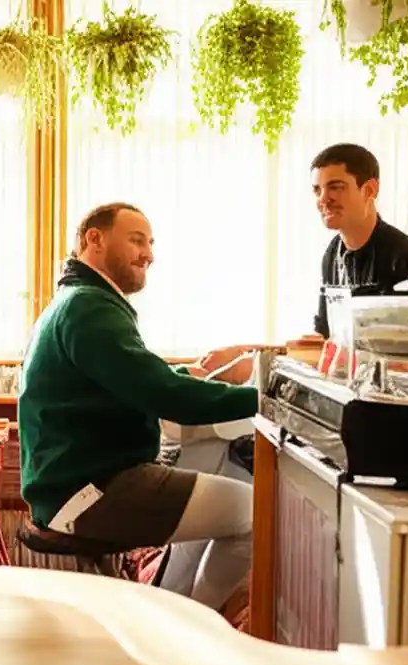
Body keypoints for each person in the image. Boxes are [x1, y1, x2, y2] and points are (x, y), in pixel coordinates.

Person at [18, 202, 258, 612]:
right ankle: (192, 630)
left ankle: (174, 618)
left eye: (150, 243)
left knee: (216, 502)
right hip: (92, 490)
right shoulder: (89, 308)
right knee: (256, 516)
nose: (148, 253)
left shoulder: (79, 301)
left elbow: (133, 375)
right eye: (136, 240)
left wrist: (197, 375)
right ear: (94, 239)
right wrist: (267, 399)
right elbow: (165, 396)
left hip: (74, 486)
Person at [310, 143, 408, 338]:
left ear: (370, 190)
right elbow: (326, 335)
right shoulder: (331, 255)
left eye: (335, 187)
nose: (323, 199)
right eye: (317, 190)